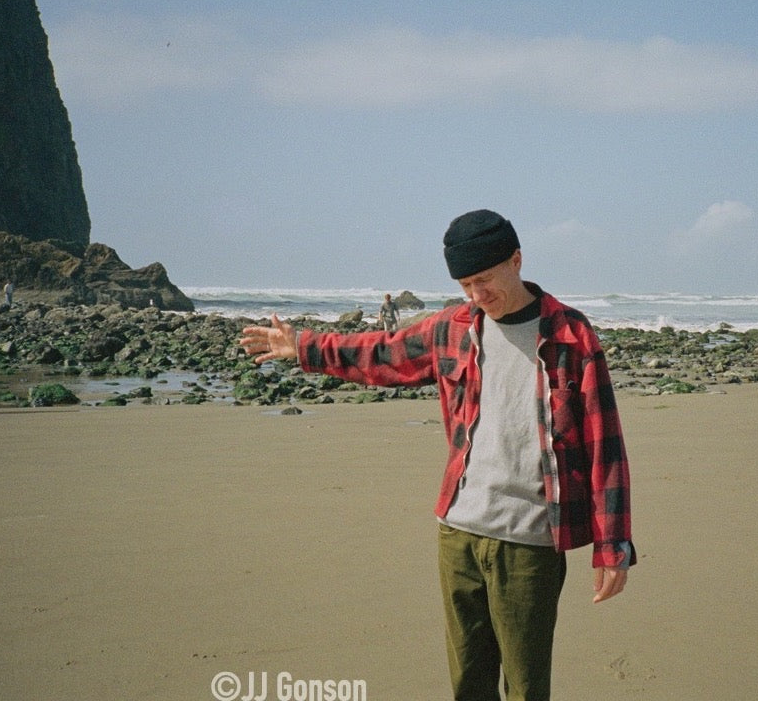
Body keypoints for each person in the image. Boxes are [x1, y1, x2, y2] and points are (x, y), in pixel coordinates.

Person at [239, 209, 634, 701]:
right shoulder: (454, 326)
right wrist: (302, 347)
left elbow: (605, 443)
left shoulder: (571, 335)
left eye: (484, 280)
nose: (476, 295)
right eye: (466, 284)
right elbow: (381, 354)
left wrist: (612, 544)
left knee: (526, 687)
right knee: (468, 683)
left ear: (516, 259)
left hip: (531, 542)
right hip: (459, 533)